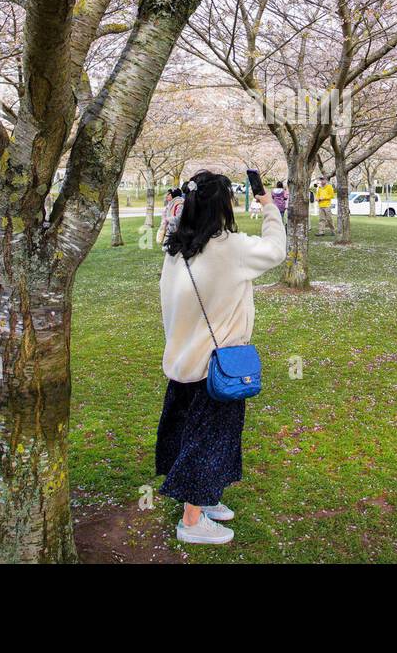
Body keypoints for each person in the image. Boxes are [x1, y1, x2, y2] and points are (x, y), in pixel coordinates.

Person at [157, 170, 286, 545]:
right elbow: (276, 250)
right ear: (223, 206)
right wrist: (269, 208)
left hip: (182, 361)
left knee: (190, 435)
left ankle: (206, 497)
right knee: (208, 440)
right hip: (214, 368)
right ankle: (192, 521)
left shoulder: (176, 245)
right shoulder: (231, 248)